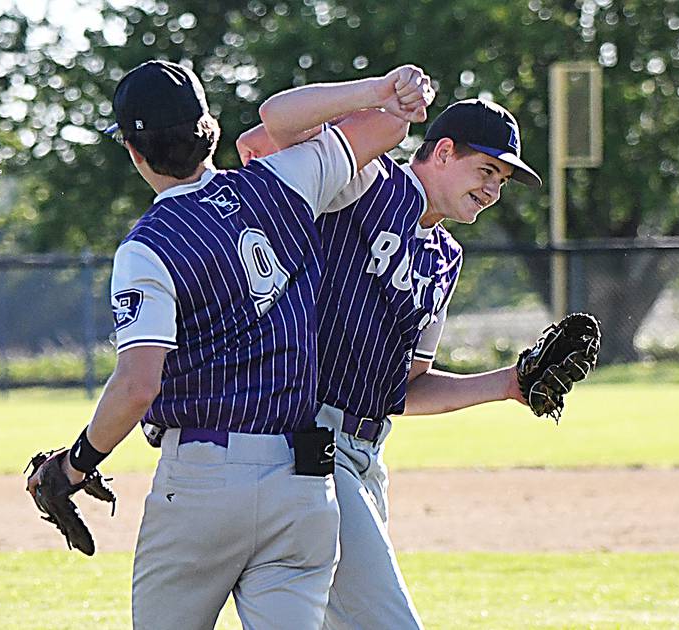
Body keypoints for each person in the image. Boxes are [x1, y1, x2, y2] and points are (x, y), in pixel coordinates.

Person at [27, 60, 432, 630]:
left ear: (133, 150)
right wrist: (388, 89)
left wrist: (76, 464)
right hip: (302, 485)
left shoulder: (148, 248)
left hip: (204, 482)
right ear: (209, 128)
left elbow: (139, 385)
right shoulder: (284, 181)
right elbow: (388, 125)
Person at [239, 96, 543, 629]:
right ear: (443, 152)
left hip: (366, 456)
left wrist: (508, 384)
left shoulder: (447, 258)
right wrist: (379, 92)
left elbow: (408, 388)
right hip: (307, 440)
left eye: (502, 180)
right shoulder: (367, 182)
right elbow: (269, 129)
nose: (494, 190)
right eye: (487, 170)